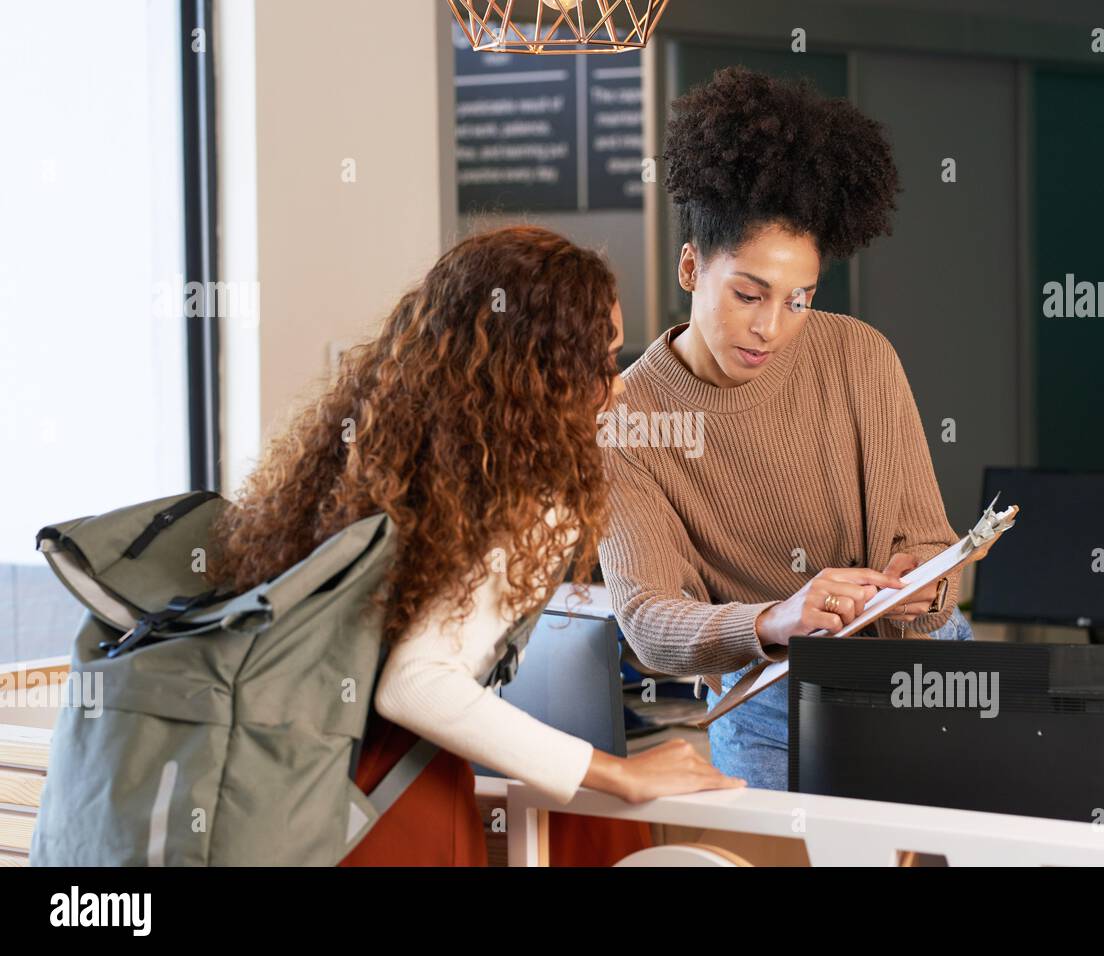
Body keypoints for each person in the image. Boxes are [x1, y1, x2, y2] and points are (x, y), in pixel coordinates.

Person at [207, 225, 744, 866]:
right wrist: (613, 771)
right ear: (539, 373)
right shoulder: (533, 496)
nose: (618, 385)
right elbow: (415, 685)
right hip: (389, 809)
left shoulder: (382, 458)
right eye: (601, 363)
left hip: (296, 794)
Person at [598, 67, 973, 792]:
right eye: (748, 294)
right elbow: (647, 620)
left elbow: (932, 542)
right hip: (770, 713)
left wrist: (928, 584)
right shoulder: (626, 417)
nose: (771, 327)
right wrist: (775, 618)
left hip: (930, 684)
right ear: (690, 266)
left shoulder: (860, 356)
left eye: (799, 300)